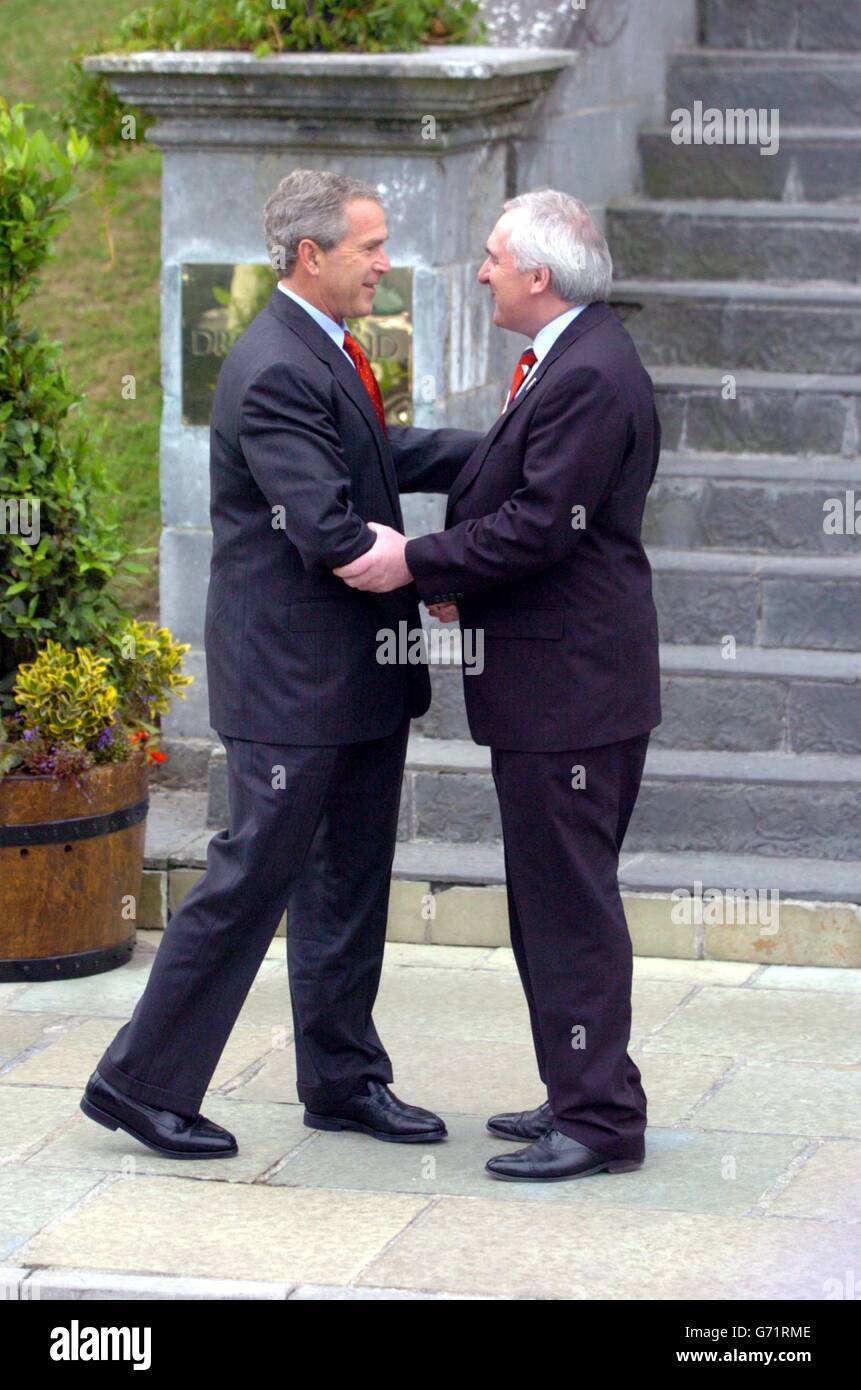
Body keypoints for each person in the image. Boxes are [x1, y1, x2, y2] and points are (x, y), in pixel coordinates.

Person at [81, 169, 480, 1159]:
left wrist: (497, 449)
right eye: (370, 247)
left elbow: (375, 454)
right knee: (251, 876)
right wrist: (444, 561)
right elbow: (329, 531)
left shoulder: (324, 346)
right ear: (312, 254)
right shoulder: (272, 367)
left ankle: (343, 1081)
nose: (384, 263)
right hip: (293, 683)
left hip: (355, 676)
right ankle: (139, 1083)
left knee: (348, 881)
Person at [336, 188, 662, 1182]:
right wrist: (456, 574)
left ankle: (599, 1119)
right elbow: (516, 489)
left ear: (538, 275)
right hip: (560, 680)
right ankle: (581, 1087)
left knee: (567, 908)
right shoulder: (574, 354)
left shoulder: (588, 371)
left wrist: (416, 562)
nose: (480, 272)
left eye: (491, 258)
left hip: (571, 689)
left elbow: (537, 524)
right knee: (551, 902)